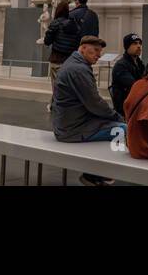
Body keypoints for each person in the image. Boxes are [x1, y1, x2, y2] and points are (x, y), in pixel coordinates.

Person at [52, 35, 123, 186]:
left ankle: (97, 171)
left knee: (115, 128)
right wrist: (116, 117)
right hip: (74, 128)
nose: (98, 55)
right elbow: (95, 103)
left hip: (69, 123)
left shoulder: (72, 63)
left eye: (100, 51)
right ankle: (94, 174)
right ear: (83, 48)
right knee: (123, 131)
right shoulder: (78, 69)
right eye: (95, 50)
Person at [42, 0, 79, 112]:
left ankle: (57, 106)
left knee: (57, 85)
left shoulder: (55, 23)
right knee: (67, 85)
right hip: (70, 59)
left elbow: (47, 41)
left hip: (57, 58)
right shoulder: (74, 24)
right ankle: (58, 105)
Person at [110, 33, 144, 119]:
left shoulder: (139, 63)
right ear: (127, 47)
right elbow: (134, 85)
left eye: (140, 43)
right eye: (135, 43)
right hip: (125, 109)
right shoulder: (121, 65)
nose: (139, 46)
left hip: (137, 104)